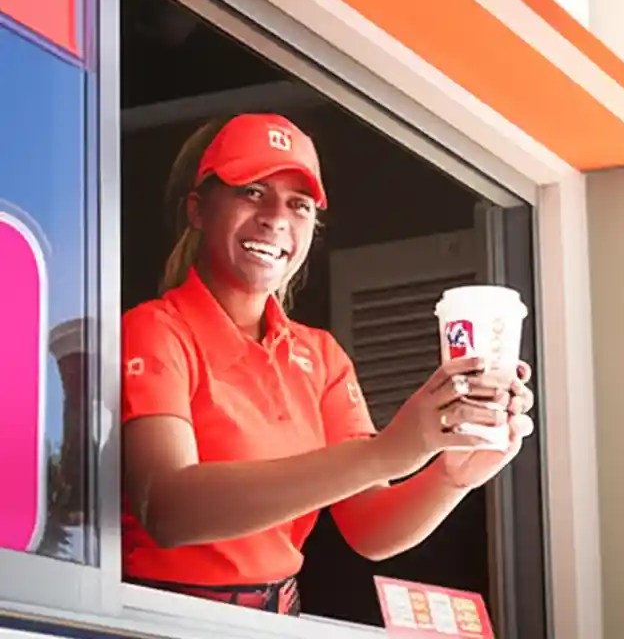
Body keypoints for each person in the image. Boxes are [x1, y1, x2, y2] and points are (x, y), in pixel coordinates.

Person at [119, 113, 534, 615]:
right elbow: (169, 509)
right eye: (251, 191)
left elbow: (370, 528)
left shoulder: (319, 355)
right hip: (163, 617)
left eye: (298, 204)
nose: (276, 217)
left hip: (280, 617)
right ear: (198, 209)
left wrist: (451, 473)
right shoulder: (155, 329)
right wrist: (390, 452)